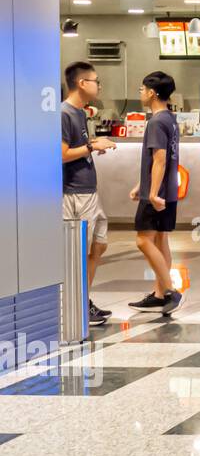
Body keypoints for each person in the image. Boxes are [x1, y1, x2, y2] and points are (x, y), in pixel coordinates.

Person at [60, 62, 116, 326]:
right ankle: (75, 304)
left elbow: (79, 147)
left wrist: (92, 146)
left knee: (99, 245)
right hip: (75, 194)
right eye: (96, 80)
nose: (99, 85)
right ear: (82, 83)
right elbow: (61, 155)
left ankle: (83, 298)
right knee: (78, 251)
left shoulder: (80, 114)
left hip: (89, 191)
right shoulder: (64, 114)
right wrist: (92, 147)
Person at [130, 71, 182, 313]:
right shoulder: (170, 119)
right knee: (161, 239)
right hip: (169, 190)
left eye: (142, 89)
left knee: (143, 240)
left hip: (158, 193)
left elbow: (159, 159)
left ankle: (170, 290)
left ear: (152, 93)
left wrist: (150, 193)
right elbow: (163, 161)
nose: (140, 93)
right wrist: (142, 185)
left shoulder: (156, 122)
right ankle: (160, 294)